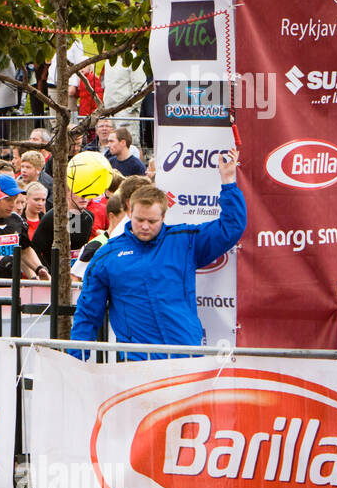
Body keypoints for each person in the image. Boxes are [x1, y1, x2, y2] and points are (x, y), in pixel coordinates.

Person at [71, 149, 245, 355]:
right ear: (129, 211)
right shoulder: (106, 256)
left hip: (185, 356)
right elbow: (88, 313)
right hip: (137, 364)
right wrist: (77, 362)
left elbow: (231, 227)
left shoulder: (184, 240)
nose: (145, 226)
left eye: (152, 221)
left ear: (163, 216)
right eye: (139, 220)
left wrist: (228, 182)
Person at [0, 176, 50, 280]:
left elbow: (24, 250)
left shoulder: (17, 220)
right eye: (8, 199)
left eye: (15, 200)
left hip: (10, 283)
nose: (13, 204)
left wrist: (38, 269)